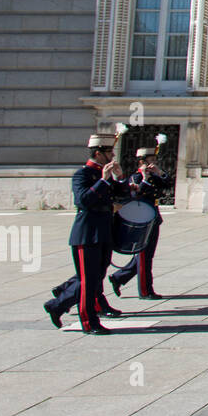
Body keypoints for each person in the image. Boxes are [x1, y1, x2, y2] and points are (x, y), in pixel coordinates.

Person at [44, 134, 127, 334]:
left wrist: (120, 177)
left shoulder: (102, 175)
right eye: (108, 152)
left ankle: (57, 305)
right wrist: (104, 181)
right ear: (98, 153)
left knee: (95, 278)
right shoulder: (82, 174)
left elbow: (124, 194)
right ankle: (89, 323)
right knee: (88, 280)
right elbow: (83, 201)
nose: (112, 155)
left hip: (104, 231)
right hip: (87, 234)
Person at [109, 145, 168, 299]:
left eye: (155, 160)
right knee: (143, 257)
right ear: (142, 161)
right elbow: (136, 192)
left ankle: (119, 277)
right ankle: (145, 290)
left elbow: (167, 185)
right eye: (151, 160)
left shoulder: (154, 176)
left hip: (154, 219)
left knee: (147, 255)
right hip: (142, 220)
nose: (153, 163)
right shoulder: (136, 177)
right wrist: (145, 177)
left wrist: (160, 173)